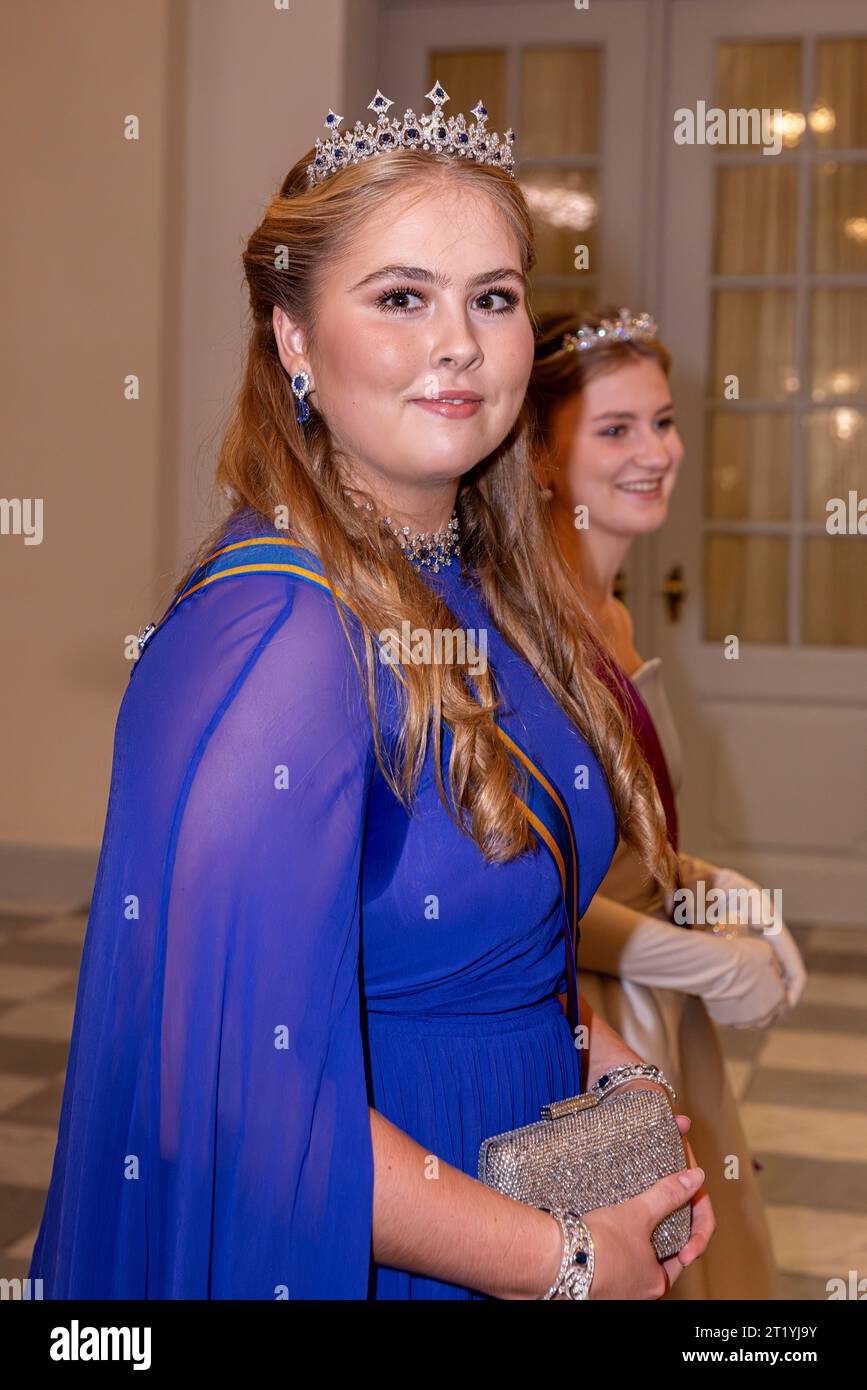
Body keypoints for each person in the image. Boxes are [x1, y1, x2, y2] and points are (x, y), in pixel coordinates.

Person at [28, 91, 713, 1300]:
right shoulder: (277, 637)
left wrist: (608, 1074)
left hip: (518, 1184)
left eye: (492, 298)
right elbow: (232, 1103)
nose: (461, 342)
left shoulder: (489, 593)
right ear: (292, 338)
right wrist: (561, 1264)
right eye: (402, 296)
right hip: (387, 1253)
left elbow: (495, 946)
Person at [528, 307, 807, 1299]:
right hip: (588, 1009)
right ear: (543, 458)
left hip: (661, 1001)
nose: (655, 452)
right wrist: (690, 955)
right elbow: (530, 886)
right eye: (615, 429)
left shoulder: (613, 608)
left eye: (662, 421)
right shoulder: (526, 636)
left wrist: (717, 894)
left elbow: (633, 830)